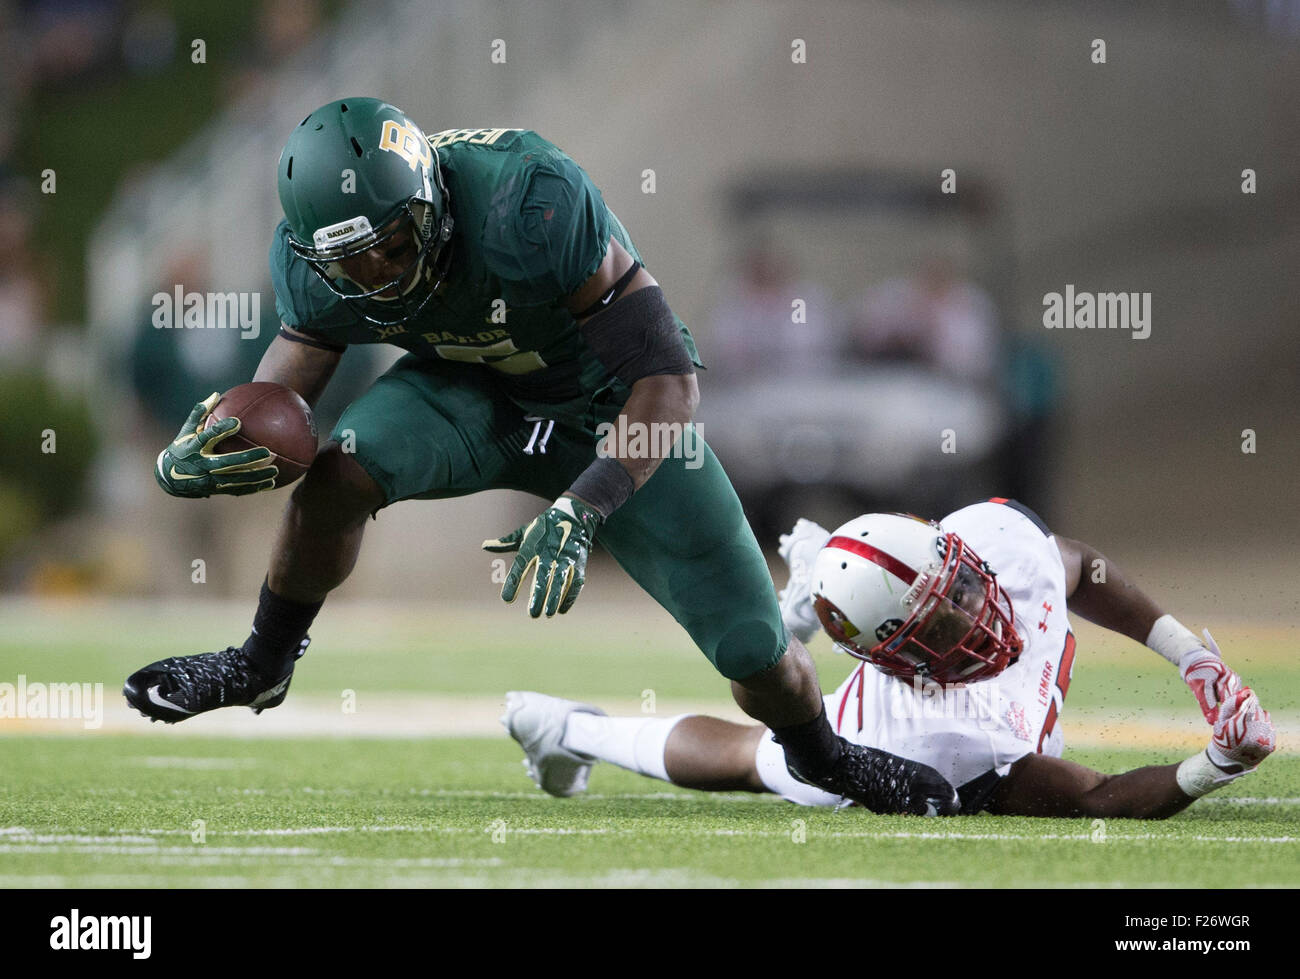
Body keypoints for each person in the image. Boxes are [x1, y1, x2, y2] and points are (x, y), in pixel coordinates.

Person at [122, 97, 959, 816]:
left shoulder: (530, 200)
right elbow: (286, 407)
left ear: (434, 201)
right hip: (466, 397)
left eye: (393, 245)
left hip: (607, 407)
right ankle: (261, 663)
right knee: (340, 474)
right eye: (351, 260)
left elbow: (667, 382)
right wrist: (221, 437)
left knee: (754, 648)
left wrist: (586, 502)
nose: (378, 275)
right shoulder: (314, 262)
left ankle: (823, 756)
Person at [502, 498, 1275, 817]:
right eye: (940, 632)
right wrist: (1215, 762)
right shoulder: (949, 740)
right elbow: (1094, 796)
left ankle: (804, 602)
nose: (976, 618)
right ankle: (566, 727)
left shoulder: (1001, 547)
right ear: (899, 661)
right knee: (757, 759)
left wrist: (1190, 658)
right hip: (874, 738)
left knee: (753, 748)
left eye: (962, 590)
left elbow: (1077, 565)